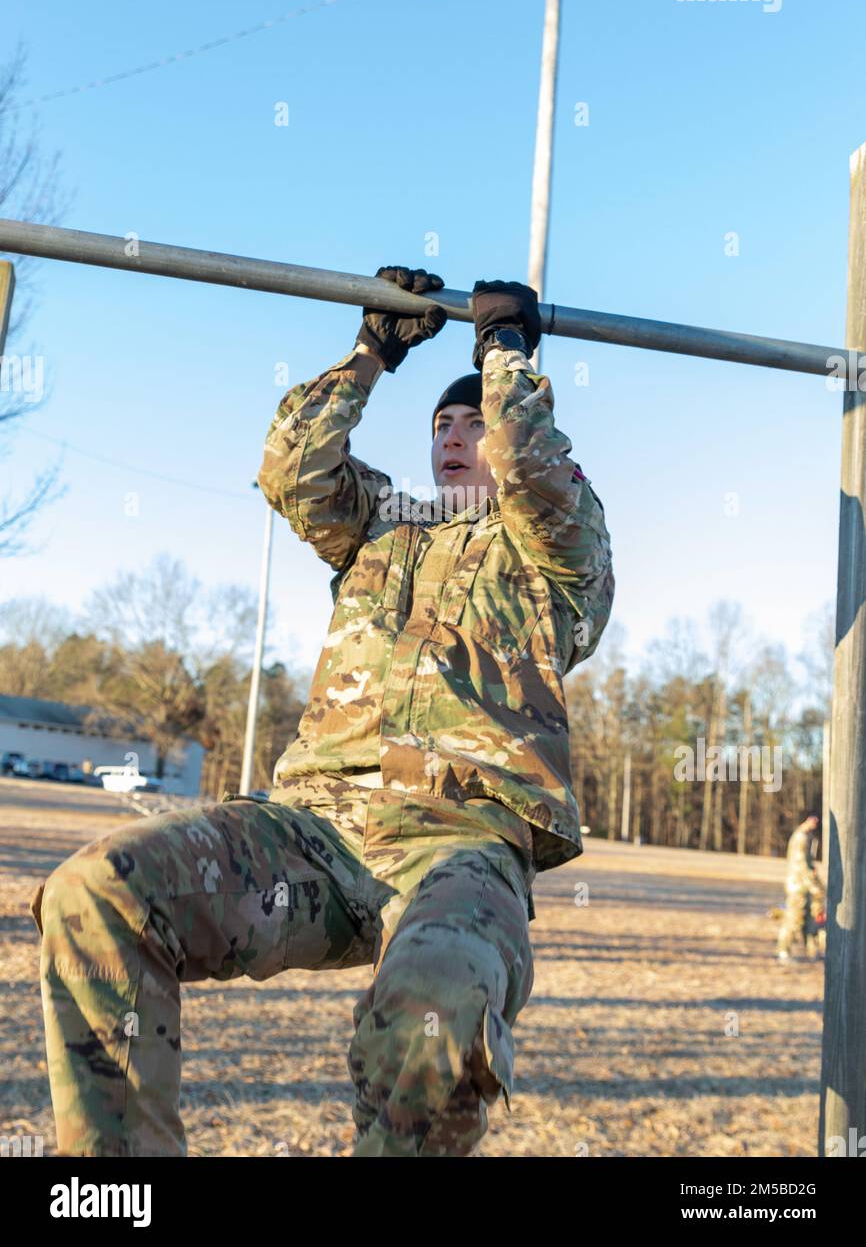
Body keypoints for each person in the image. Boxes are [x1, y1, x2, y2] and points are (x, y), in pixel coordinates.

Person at [29, 268, 614, 1157]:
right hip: (312, 834)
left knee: (433, 1008)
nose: (457, 438)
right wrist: (370, 354)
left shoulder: (554, 552)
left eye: (475, 424)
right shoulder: (384, 522)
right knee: (95, 892)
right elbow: (291, 468)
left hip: (455, 843)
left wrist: (504, 353)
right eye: (442, 426)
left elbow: (536, 473)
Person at [777, 814, 825, 963]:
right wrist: (815, 886)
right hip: (798, 886)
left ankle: (812, 952)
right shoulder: (801, 838)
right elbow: (802, 866)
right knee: (793, 918)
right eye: (813, 819)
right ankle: (783, 952)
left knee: (810, 920)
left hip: (803, 886)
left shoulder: (806, 836)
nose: (816, 822)